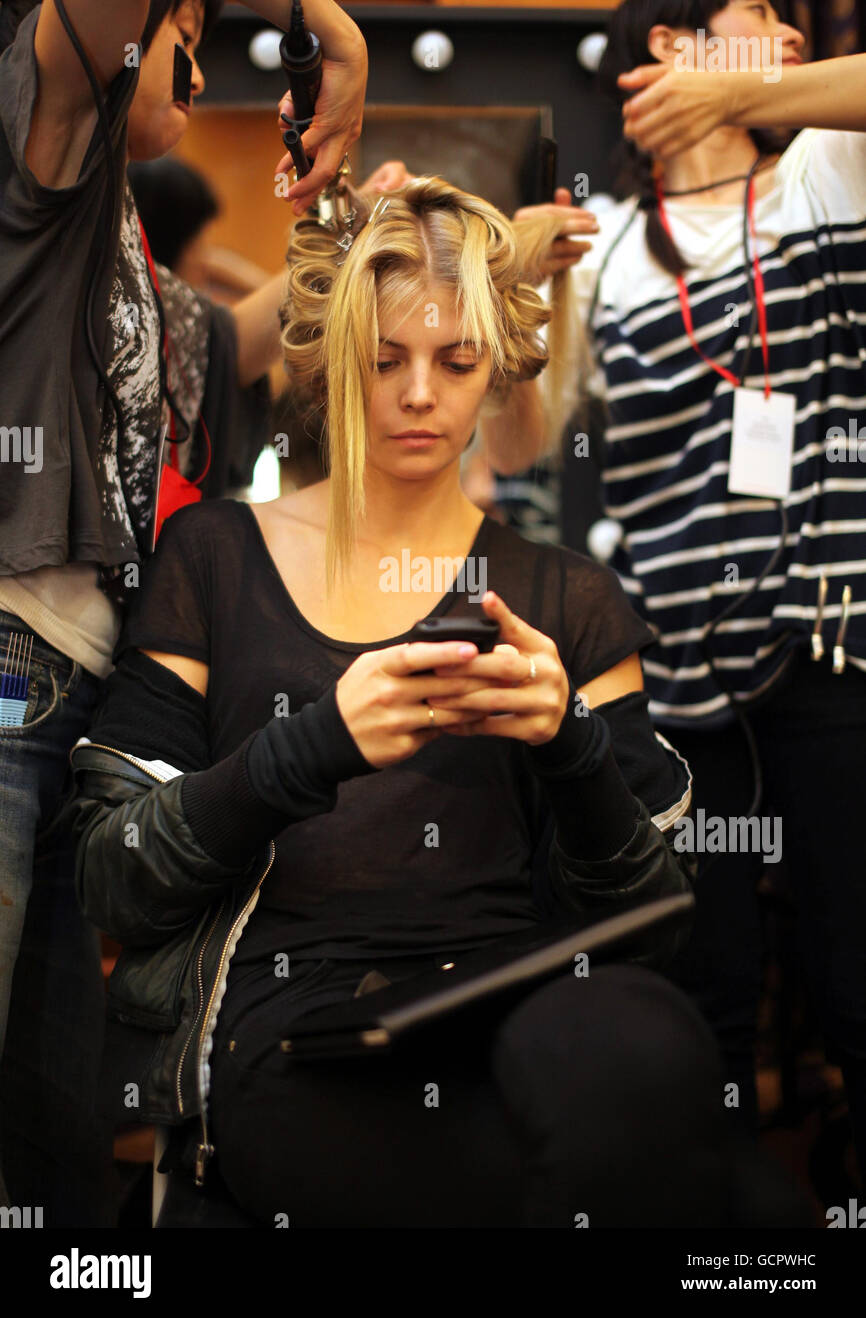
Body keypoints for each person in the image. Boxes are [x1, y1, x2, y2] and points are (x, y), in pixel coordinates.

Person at [63, 172, 802, 1230]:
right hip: (298, 1019)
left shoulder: (567, 599)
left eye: (454, 362)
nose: (419, 395)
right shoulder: (218, 558)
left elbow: (644, 926)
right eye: (385, 361)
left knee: (646, 1058)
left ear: (496, 366)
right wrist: (309, 746)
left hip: (526, 994)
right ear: (331, 369)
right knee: (692, 1199)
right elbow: (111, 877)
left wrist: (570, 745)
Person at [0, 0, 366, 1222]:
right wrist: (340, 34)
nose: (199, 82)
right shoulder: (38, 118)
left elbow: (235, 340)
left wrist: (350, 231)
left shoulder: (117, 254)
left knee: (49, 1125)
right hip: (9, 667)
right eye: (186, 44)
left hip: (67, 703)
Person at [514, 0, 866, 1185]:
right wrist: (515, 298)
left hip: (833, 646)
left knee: (853, 968)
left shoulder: (823, 171)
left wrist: (743, 94)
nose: (781, 32)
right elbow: (517, 444)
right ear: (664, 53)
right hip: (674, 671)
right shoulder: (601, 243)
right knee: (699, 982)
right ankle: (719, 1226)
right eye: (751, 17)